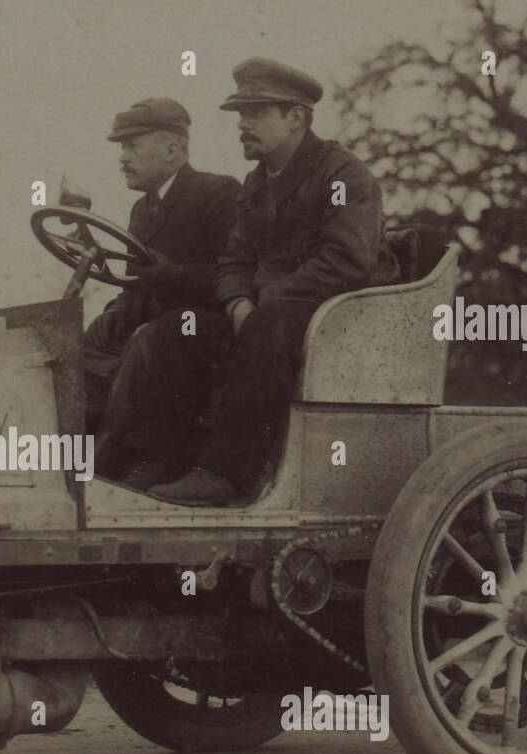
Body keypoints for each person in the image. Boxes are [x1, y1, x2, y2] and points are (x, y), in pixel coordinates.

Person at [105, 58, 401, 505]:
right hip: (273, 315)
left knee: (270, 323)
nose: (242, 124)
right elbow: (233, 260)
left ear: (296, 117)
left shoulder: (342, 174)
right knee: (180, 326)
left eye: (256, 113)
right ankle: (162, 459)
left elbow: (347, 260)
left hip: (342, 322)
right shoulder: (257, 183)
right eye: (241, 114)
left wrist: (263, 300)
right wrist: (238, 301)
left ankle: (227, 474)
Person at [81, 98, 239, 456]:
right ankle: (74, 453)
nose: (123, 157)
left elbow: (234, 275)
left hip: (206, 329)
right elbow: (137, 283)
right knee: (88, 344)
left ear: (172, 150)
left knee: (154, 338)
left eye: (132, 146)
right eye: (123, 147)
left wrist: (171, 276)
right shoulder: (142, 210)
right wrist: (119, 309)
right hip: (160, 329)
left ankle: (118, 460)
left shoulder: (217, 192)